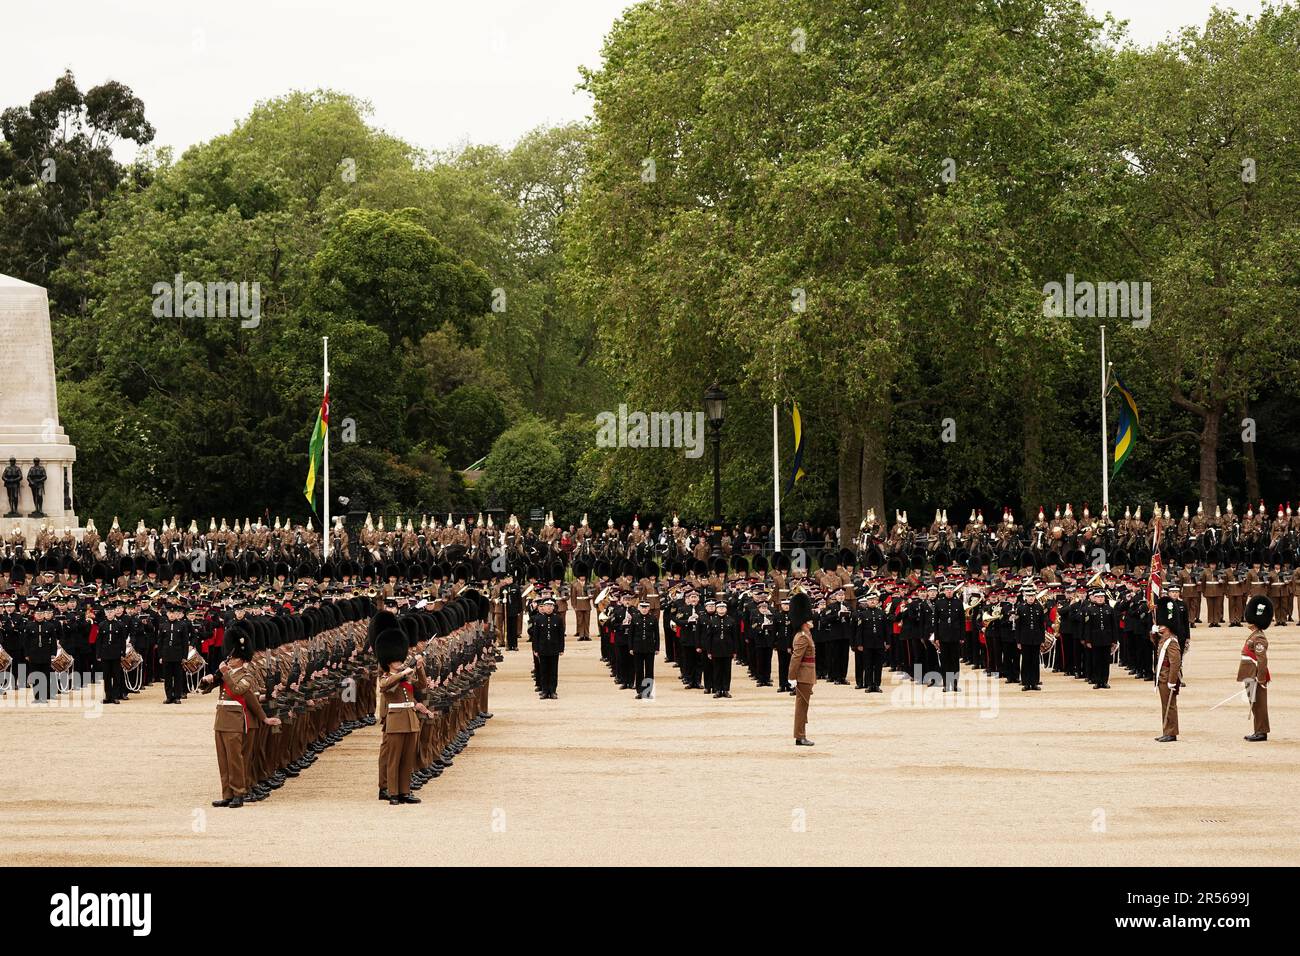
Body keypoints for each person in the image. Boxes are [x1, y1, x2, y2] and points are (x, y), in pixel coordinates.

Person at [200, 624, 279, 807]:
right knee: (224, 760)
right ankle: (227, 793)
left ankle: (239, 793)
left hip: (236, 722)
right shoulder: (225, 673)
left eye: (233, 658)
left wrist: (225, 674)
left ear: (241, 659)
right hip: (221, 721)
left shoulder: (247, 674)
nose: (229, 660)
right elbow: (205, 689)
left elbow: (238, 691)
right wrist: (208, 680)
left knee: (236, 760)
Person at [376, 623, 428, 804]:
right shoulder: (386, 677)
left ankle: (405, 791)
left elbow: (422, 686)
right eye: (397, 660)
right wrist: (402, 673)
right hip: (396, 721)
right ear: (390, 661)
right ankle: (393, 793)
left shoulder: (406, 676)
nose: (400, 661)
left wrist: (419, 668)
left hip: (410, 720)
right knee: (394, 759)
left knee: (407, 759)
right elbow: (385, 686)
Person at [1239, 596, 1273, 742]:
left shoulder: (1259, 638)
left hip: (1255, 675)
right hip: (1249, 673)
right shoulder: (1254, 635)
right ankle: (1258, 729)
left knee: (1259, 704)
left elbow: (1262, 659)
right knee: (1254, 703)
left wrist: (1260, 677)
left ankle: (1261, 731)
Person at [789, 591, 816, 746]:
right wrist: (791, 677)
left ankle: (802, 734)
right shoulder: (802, 637)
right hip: (803, 675)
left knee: (803, 706)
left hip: (808, 674)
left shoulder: (807, 634)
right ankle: (800, 736)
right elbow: (796, 659)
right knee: (801, 707)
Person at [529, 596, 564, 700]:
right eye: (546, 606)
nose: (548, 608)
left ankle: (553, 690)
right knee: (543, 671)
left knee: (553, 670)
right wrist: (535, 649)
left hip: (554, 648)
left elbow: (561, 635)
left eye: (550, 606)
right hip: (542, 648)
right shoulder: (538, 619)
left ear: (553, 607)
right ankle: (544, 691)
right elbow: (536, 636)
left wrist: (561, 648)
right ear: (543, 607)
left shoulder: (558, 618)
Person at [1152, 622, 1181, 742]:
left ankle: (1171, 732)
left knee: (1170, 706)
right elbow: (1155, 643)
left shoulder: (1172, 642)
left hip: (1168, 677)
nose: (1159, 627)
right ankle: (1166, 730)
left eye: (1161, 626)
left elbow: (1175, 663)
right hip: (1162, 676)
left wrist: (1172, 680)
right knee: (1165, 705)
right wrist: (1153, 633)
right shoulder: (1164, 639)